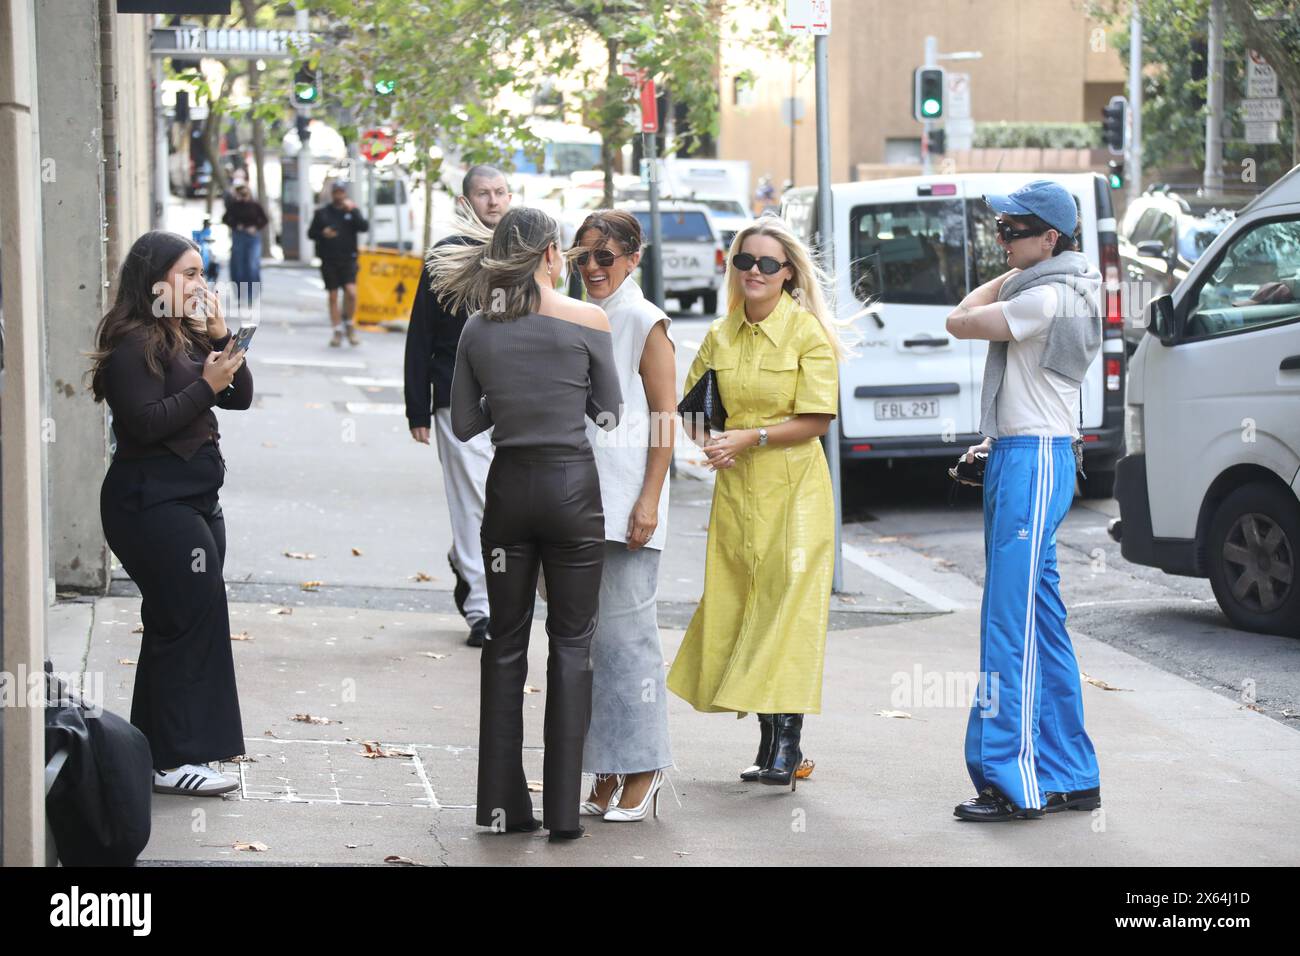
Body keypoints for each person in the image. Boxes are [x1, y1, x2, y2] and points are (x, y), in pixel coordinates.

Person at [427, 206, 622, 842]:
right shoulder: (589, 321)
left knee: (506, 645)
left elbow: (462, 423)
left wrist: (508, 400)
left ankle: (501, 808)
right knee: (572, 644)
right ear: (548, 255)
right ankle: (565, 814)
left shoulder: (479, 330)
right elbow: (610, 412)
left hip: (508, 491)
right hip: (572, 492)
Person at [667, 217, 846, 789]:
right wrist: (712, 444)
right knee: (741, 606)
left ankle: (785, 743)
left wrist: (752, 437)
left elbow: (816, 420)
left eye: (768, 264)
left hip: (794, 494)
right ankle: (769, 743)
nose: (755, 272)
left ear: (788, 272)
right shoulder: (721, 335)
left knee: (784, 613)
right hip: (738, 495)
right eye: (745, 261)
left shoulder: (807, 334)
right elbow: (692, 407)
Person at [944, 179, 1103, 822]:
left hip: (1033, 460)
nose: (1002, 241)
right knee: (1040, 623)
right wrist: (1016, 268)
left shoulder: (1046, 298)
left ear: (1051, 239)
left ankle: (1010, 783)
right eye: (1000, 230)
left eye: (1013, 231)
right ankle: (1070, 774)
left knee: (1008, 627)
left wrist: (1004, 278)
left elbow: (957, 320)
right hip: (1029, 457)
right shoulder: (1054, 288)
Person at [89, 230, 254, 796]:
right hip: (149, 503)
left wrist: (222, 338)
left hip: (195, 502)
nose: (200, 284)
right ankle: (172, 759)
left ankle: (156, 752)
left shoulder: (182, 336)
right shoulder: (130, 339)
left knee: (182, 621)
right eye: (189, 273)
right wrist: (207, 386)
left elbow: (241, 396)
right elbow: (147, 422)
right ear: (154, 280)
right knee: (185, 623)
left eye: (203, 273)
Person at [569, 211, 676, 823]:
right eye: (583, 255)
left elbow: (665, 416)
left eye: (606, 256)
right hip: (580, 497)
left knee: (629, 643)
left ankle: (644, 765)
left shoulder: (642, 318)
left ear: (635, 257)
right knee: (591, 645)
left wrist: (649, 499)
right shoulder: (580, 314)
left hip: (628, 500)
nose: (593, 267)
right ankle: (608, 764)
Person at [404, 165, 512, 647]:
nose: (493, 201)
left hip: (516, 401)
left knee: (504, 500)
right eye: (484, 194)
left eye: (500, 192)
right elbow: (420, 334)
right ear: (466, 201)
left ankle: (465, 560)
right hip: (456, 399)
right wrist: (417, 409)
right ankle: (481, 608)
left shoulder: (525, 251)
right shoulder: (445, 256)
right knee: (474, 502)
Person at [307, 181, 369, 347]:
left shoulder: (351, 211)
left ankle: (349, 324)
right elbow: (311, 233)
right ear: (332, 194)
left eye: (342, 192)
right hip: (329, 260)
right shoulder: (323, 213)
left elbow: (364, 227)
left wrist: (354, 211)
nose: (339, 195)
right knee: (333, 295)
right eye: (336, 192)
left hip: (348, 259)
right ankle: (337, 330)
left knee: (351, 292)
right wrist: (323, 233)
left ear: (345, 194)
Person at [222, 182, 268, 302]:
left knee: (252, 265)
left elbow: (264, 220)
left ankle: (252, 294)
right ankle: (240, 294)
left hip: (252, 237)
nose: (243, 196)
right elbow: (225, 219)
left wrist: (255, 227)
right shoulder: (234, 206)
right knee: (238, 266)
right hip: (239, 236)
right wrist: (237, 226)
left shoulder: (255, 206)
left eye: (245, 193)